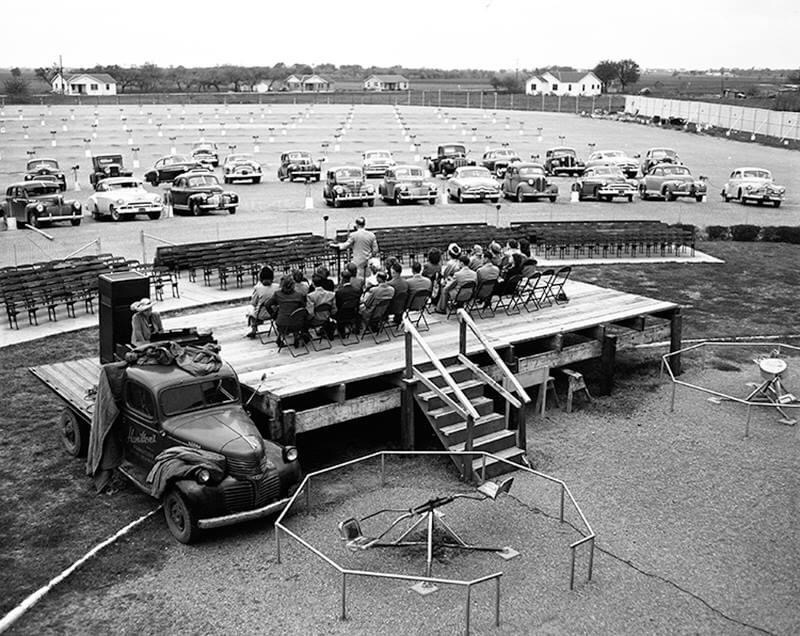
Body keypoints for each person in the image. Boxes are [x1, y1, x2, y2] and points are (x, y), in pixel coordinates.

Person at [267, 275, 308, 346]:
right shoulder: (299, 295)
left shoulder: (277, 294)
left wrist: (273, 315)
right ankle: (297, 335)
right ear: (293, 285)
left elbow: (267, 304)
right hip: (297, 325)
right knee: (297, 316)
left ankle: (280, 337)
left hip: (282, 324)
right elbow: (303, 307)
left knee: (283, 316)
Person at [246, 266, 279, 338]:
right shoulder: (277, 287)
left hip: (261, 315)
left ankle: (254, 329)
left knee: (250, 308)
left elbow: (253, 303)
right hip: (275, 313)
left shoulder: (258, 288)